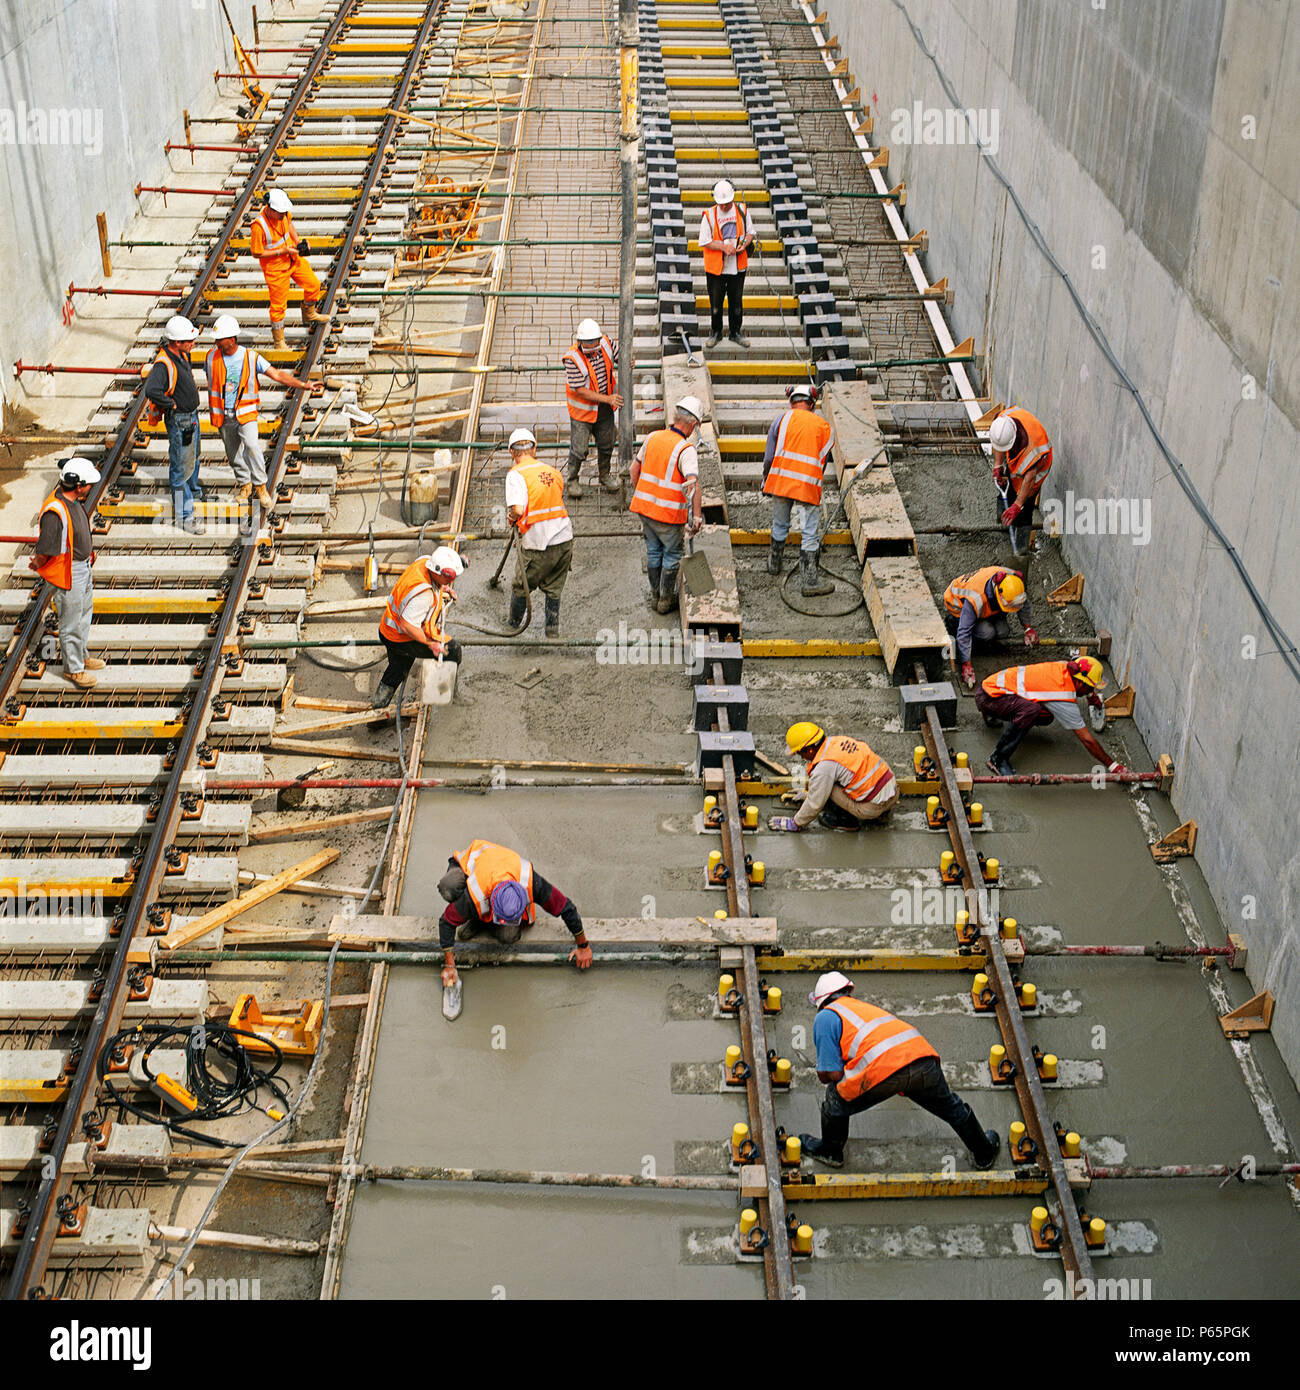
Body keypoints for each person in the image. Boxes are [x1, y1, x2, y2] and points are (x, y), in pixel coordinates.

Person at [798, 972, 1001, 1170]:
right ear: (847, 991)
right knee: (949, 1105)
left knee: (836, 1095)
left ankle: (831, 1152)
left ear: (821, 1001)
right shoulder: (863, 1009)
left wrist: (823, 1070)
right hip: (923, 1059)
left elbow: (833, 1075)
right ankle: (984, 1151)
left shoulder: (825, 1016)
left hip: (888, 1071)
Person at [437, 838, 593, 991]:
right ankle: (476, 917)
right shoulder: (475, 894)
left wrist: (583, 946)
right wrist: (449, 965)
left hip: (502, 866)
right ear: (491, 901)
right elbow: (446, 922)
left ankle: (479, 919)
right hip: (472, 865)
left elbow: (566, 907)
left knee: (508, 936)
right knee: (448, 887)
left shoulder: (531, 882)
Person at [205, 314, 322, 509]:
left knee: (251, 446)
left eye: (220, 339)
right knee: (233, 453)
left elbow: (276, 374)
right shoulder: (211, 357)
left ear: (232, 339)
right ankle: (245, 485)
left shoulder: (251, 357)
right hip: (222, 415)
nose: (217, 342)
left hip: (246, 413)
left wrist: (303, 385)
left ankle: (260, 486)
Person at [977, 657, 1130, 776]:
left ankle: (996, 715)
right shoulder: (1062, 696)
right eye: (1090, 687)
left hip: (991, 689)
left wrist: (1091, 696)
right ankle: (997, 759)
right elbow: (1087, 740)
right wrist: (1113, 766)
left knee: (1046, 716)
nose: (1090, 690)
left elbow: (1082, 681)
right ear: (1080, 683)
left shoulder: (1066, 666)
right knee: (1032, 710)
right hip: (989, 699)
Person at [31, 457, 103, 690]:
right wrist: (38, 563)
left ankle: (81, 656)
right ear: (78, 485)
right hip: (68, 572)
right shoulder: (55, 511)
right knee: (71, 622)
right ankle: (74, 669)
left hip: (82, 567)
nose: (91, 488)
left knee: (83, 614)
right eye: (88, 484)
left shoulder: (70, 499)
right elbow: (45, 548)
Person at [629, 396, 703, 613]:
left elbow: (634, 470)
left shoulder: (652, 437)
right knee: (671, 554)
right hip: (669, 515)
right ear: (692, 425)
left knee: (653, 551)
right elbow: (693, 485)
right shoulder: (685, 449)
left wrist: (643, 494)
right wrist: (696, 517)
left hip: (644, 510)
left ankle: (654, 595)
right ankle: (664, 600)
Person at [761, 383, 836, 596]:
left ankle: (774, 565)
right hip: (807, 486)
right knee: (809, 533)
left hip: (781, 483)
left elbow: (768, 457)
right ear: (812, 404)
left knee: (780, 524)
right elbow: (823, 461)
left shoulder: (781, 420)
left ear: (792, 402)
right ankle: (810, 582)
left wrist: (766, 478)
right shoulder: (823, 426)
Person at [371, 546, 465, 708]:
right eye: (448, 578)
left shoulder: (424, 562)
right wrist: (431, 644)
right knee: (453, 650)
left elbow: (435, 581)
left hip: (388, 629)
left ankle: (378, 707)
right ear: (436, 571)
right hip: (401, 637)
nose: (451, 581)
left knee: (398, 667)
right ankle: (447, 694)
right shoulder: (423, 596)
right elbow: (408, 626)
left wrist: (445, 588)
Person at [505, 427, 572, 639]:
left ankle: (514, 626)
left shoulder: (516, 474)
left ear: (511, 452)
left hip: (537, 543)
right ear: (534, 448)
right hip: (564, 539)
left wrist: (512, 519)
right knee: (553, 588)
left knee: (521, 585)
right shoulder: (553, 471)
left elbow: (517, 509)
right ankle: (552, 630)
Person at [769, 723, 898, 831]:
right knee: (834, 780)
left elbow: (815, 804)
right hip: (893, 792)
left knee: (828, 789)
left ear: (809, 750)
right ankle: (882, 813)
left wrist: (795, 823)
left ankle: (847, 821)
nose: (801, 757)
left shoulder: (824, 767)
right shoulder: (835, 742)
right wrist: (809, 792)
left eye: (799, 753)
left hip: (871, 808)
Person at [144, 314, 204, 534]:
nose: (193, 343)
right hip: (181, 421)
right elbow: (151, 390)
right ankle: (184, 516)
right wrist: (172, 405)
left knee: (194, 457)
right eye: (189, 341)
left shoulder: (181, 355)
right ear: (177, 342)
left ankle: (195, 492)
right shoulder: (163, 364)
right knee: (180, 467)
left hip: (191, 417)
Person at [249, 188, 331, 350]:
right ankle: (279, 341)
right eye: (280, 213)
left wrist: (299, 242)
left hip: (293, 259)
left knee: (313, 284)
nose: (283, 215)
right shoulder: (259, 227)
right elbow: (256, 252)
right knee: (278, 306)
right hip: (276, 269)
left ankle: (309, 313)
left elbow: (290, 224)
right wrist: (283, 251)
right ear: (270, 210)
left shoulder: (283, 213)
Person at [942, 565, 1039, 687]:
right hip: (958, 605)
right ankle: (954, 624)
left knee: (1003, 631)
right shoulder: (975, 598)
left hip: (987, 601)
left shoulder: (1013, 582)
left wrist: (1028, 628)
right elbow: (964, 632)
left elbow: (1022, 604)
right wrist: (966, 663)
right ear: (999, 594)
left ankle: (984, 624)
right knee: (987, 632)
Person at [562, 318, 621, 499]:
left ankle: (604, 475)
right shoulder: (572, 359)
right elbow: (581, 391)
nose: (592, 349)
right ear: (580, 342)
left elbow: (621, 356)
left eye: (593, 344)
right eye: (587, 345)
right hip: (583, 412)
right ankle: (572, 480)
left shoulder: (606, 343)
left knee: (607, 444)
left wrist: (629, 361)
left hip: (605, 410)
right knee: (579, 448)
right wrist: (608, 398)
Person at [698, 179, 755, 348]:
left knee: (736, 301)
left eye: (727, 203)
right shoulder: (709, 215)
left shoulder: (742, 210)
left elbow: (750, 233)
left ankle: (735, 332)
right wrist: (723, 247)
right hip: (716, 268)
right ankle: (716, 333)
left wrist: (743, 244)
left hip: (737, 265)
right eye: (721, 204)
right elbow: (704, 241)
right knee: (716, 302)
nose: (724, 207)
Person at [988, 408, 1052, 556]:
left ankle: (1021, 551)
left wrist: (1017, 505)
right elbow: (999, 444)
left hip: (1035, 470)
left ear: (1014, 439)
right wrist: (998, 464)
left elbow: (1029, 478)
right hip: (1018, 462)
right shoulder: (1002, 422)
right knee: (1007, 486)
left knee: (1024, 509)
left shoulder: (1032, 449)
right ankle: (1004, 520)